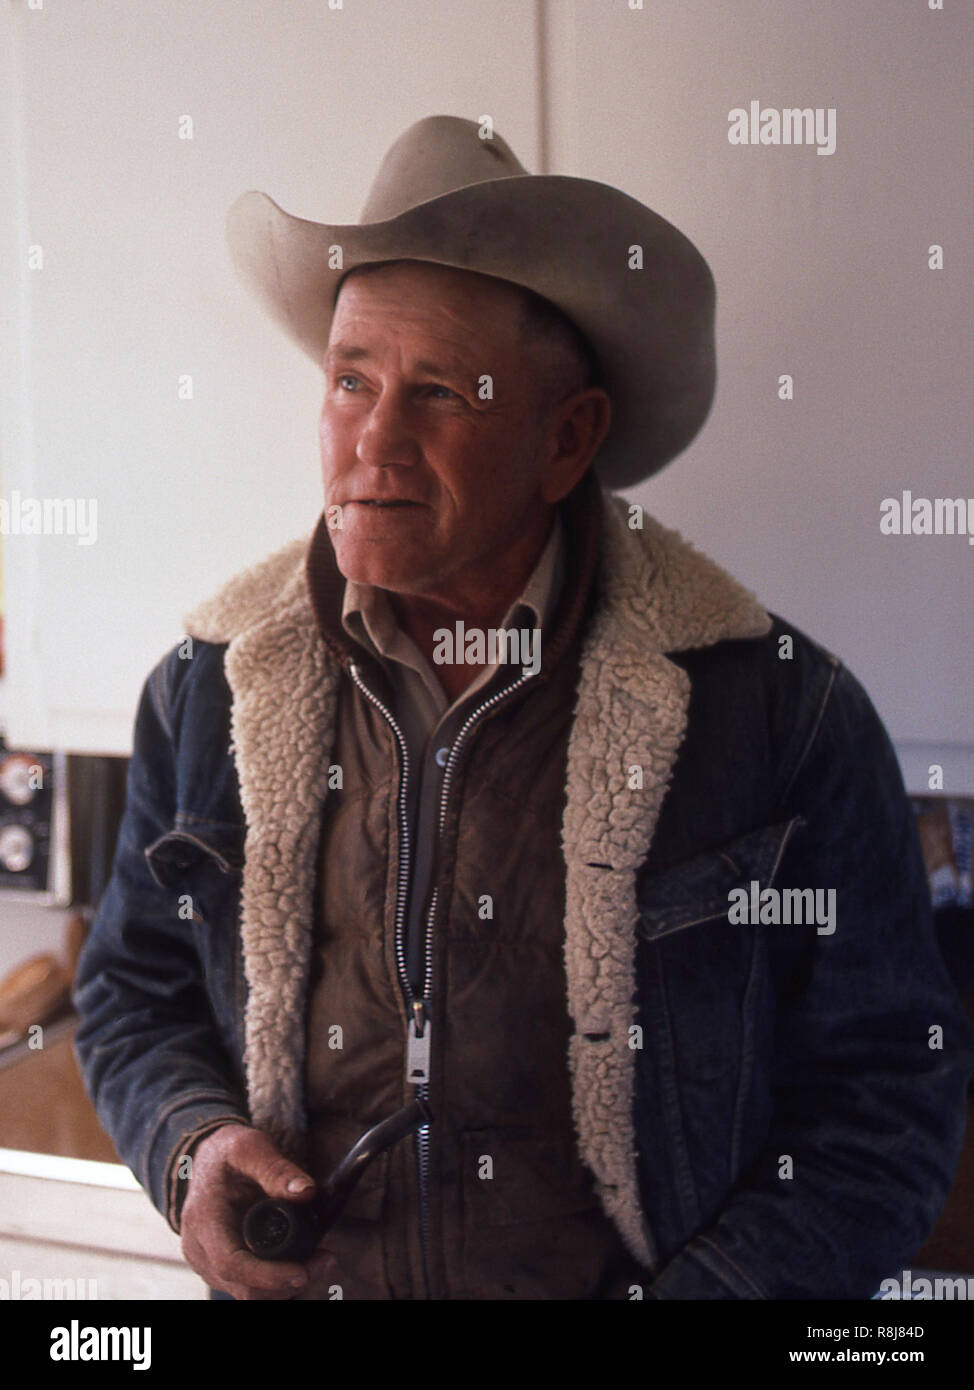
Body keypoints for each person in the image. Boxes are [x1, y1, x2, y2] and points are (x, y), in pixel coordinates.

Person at [73, 115, 974, 1301]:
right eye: (350, 379)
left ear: (567, 439)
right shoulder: (208, 685)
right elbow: (130, 991)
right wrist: (192, 1142)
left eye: (438, 390)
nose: (372, 442)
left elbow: (883, 1100)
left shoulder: (777, 718)